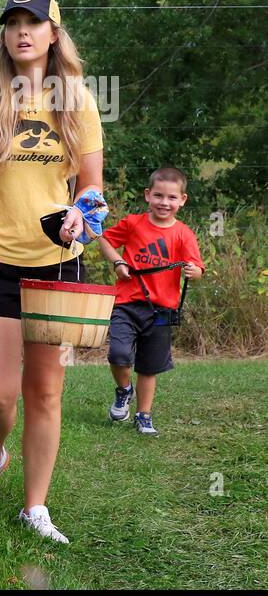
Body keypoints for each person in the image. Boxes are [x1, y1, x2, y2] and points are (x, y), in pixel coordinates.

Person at [0, 0, 105, 543]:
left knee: (45, 391)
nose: (22, 32)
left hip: (58, 267)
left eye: (33, 22)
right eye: (12, 22)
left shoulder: (79, 103)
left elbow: (92, 190)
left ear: (54, 34)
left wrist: (81, 219)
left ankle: (35, 507)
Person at [99, 167, 204, 435]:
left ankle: (143, 415)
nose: (164, 203)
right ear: (148, 195)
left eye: (171, 198)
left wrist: (195, 271)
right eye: (158, 195)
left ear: (182, 200)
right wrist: (118, 262)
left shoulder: (184, 234)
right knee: (118, 354)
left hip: (162, 309)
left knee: (149, 365)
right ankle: (124, 390)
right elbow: (106, 241)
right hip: (127, 302)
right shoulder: (133, 223)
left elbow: (197, 267)